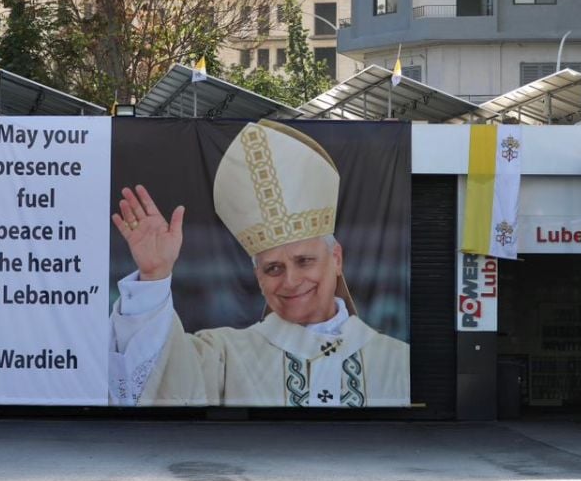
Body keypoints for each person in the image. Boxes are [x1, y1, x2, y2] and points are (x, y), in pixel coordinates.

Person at [107, 120, 410, 407]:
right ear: (258, 278)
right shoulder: (223, 355)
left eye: (304, 261)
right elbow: (159, 387)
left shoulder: (395, 360)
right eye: (273, 268)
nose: (290, 280)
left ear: (337, 259)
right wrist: (155, 275)